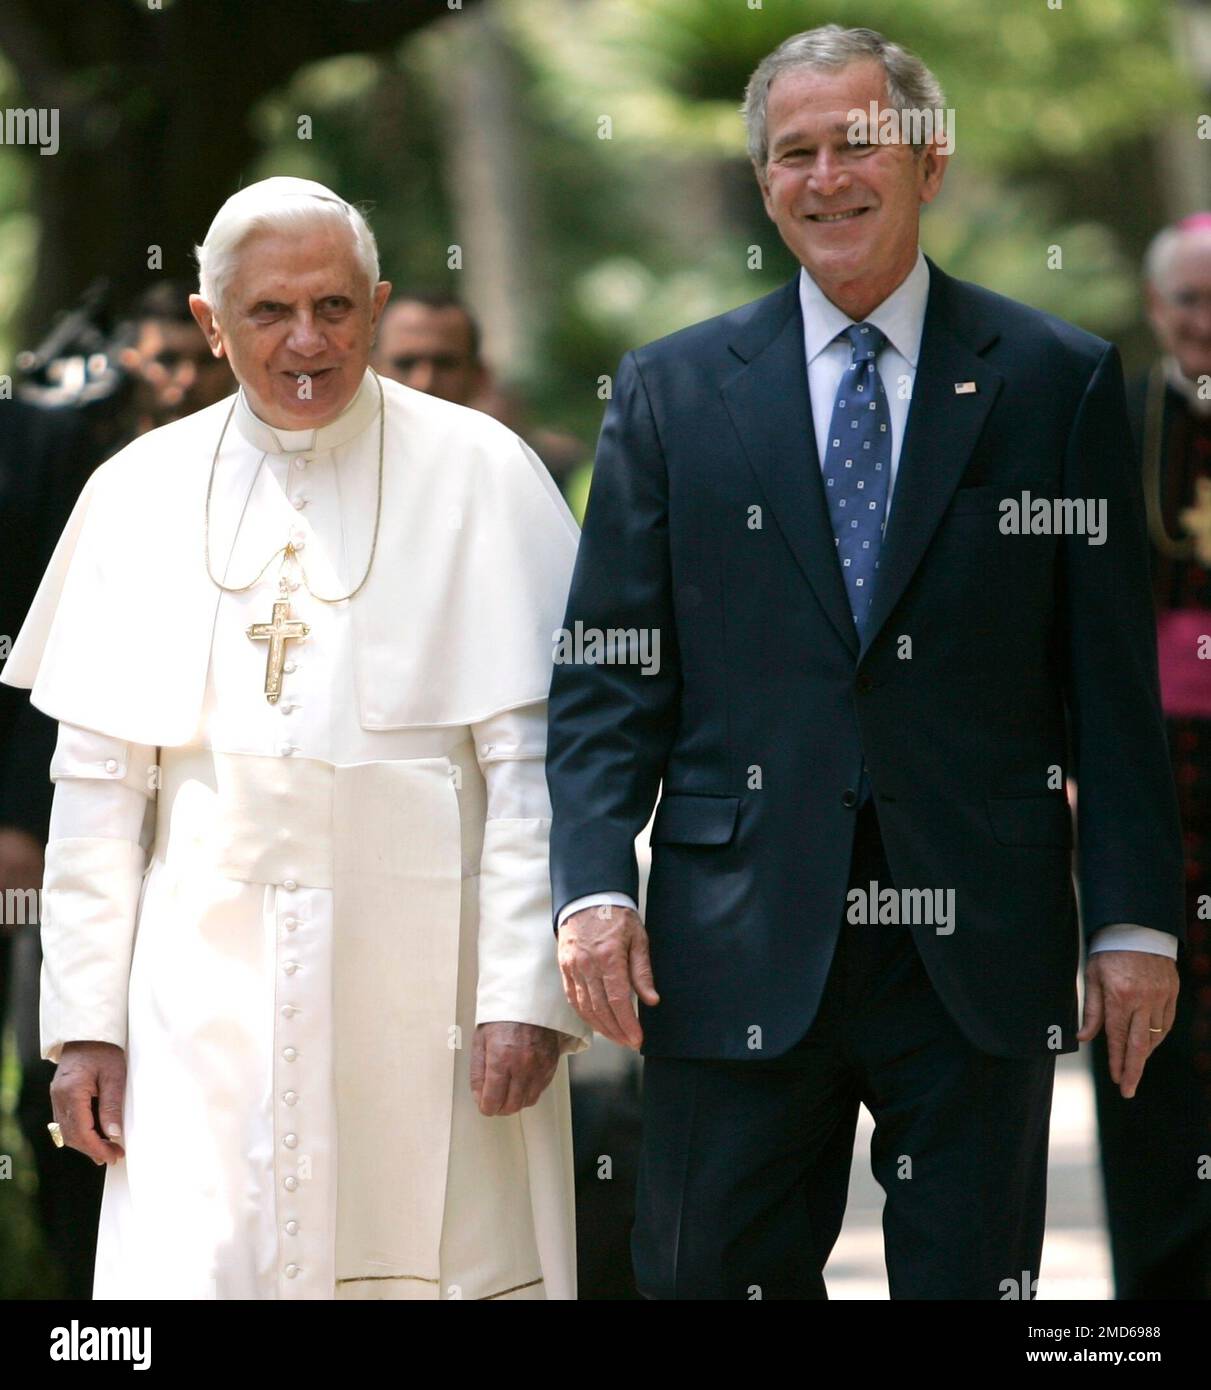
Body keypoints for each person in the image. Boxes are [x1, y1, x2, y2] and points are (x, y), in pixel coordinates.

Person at [546, 24, 1184, 1300]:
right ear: (762, 181)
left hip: (972, 943)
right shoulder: (671, 393)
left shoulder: (1053, 382)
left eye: (857, 143)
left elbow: (1110, 688)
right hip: (729, 936)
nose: (825, 175)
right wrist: (589, 885)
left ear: (928, 160)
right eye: (793, 152)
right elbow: (610, 671)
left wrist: (1130, 919)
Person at [1, 176, 589, 1300]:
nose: (306, 341)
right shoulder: (135, 493)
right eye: (269, 312)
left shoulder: (482, 471)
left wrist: (522, 993)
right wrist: (84, 1025)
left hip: (432, 989)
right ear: (212, 321)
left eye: (332, 307)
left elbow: (533, 775)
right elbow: (97, 792)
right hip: (197, 994)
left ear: (374, 306)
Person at [1093, 213, 1211, 1298]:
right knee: (1148, 1033)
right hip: (1149, 788)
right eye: (1189, 303)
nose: (1205, 327)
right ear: (1154, 308)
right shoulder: (1110, 420)